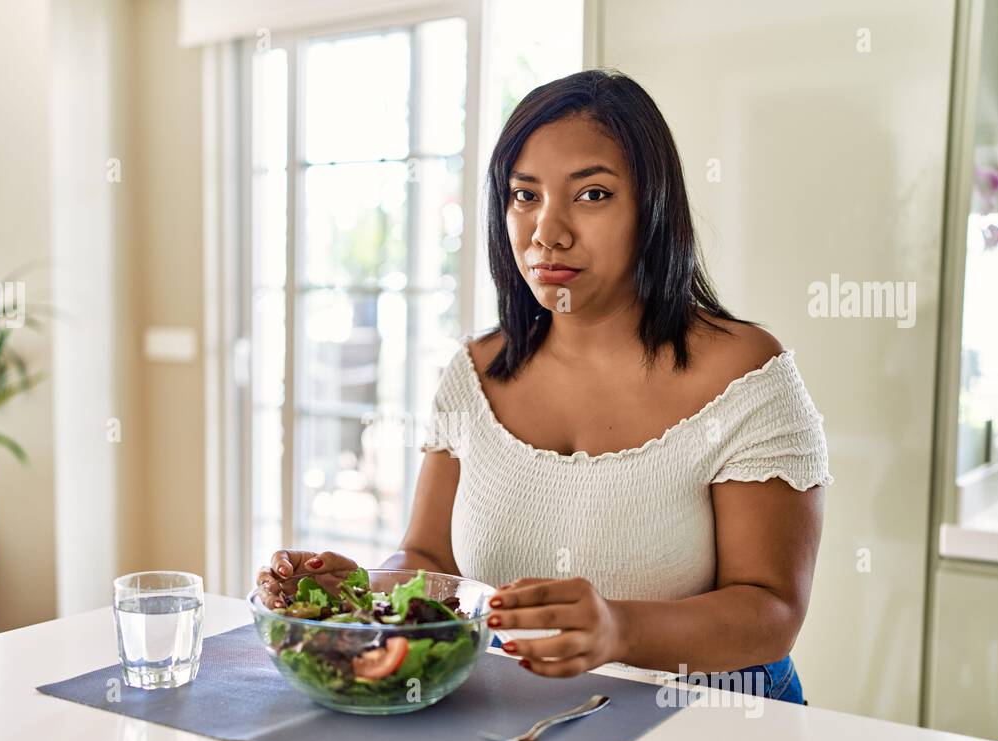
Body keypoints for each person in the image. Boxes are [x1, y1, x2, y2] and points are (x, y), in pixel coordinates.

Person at [256, 69, 832, 704]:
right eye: (524, 195)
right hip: (525, 720)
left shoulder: (744, 373)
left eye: (591, 195)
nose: (546, 231)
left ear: (654, 207)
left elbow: (771, 614)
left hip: (710, 728)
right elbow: (430, 558)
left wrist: (619, 628)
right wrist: (362, 588)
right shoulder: (474, 371)